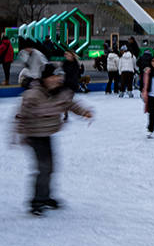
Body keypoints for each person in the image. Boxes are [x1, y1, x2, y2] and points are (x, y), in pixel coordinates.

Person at [13, 63, 94, 215]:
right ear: (45, 78)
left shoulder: (60, 92)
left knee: (50, 167)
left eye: (59, 76)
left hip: (47, 134)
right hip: (34, 135)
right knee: (43, 167)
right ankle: (36, 202)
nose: (57, 80)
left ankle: (45, 197)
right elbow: (21, 116)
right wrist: (20, 134)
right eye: (53, 77)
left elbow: (71, 104)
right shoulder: (33, 95)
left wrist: (85, 112)